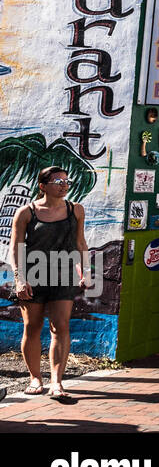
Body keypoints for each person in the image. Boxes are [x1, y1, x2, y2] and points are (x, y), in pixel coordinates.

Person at [7, 167, 88, 399]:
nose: (64, 185)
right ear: (43, 186)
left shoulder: (76, 210)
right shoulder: (26, 212)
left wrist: (87, 271)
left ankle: (57, 382)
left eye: (66, 180)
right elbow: (15, 248)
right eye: (58, 181)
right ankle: (35, 378)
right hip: (32, 275)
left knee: (60, 326)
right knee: (32, 327)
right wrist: (20, 279)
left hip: (63, 274)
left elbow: (81, 242)